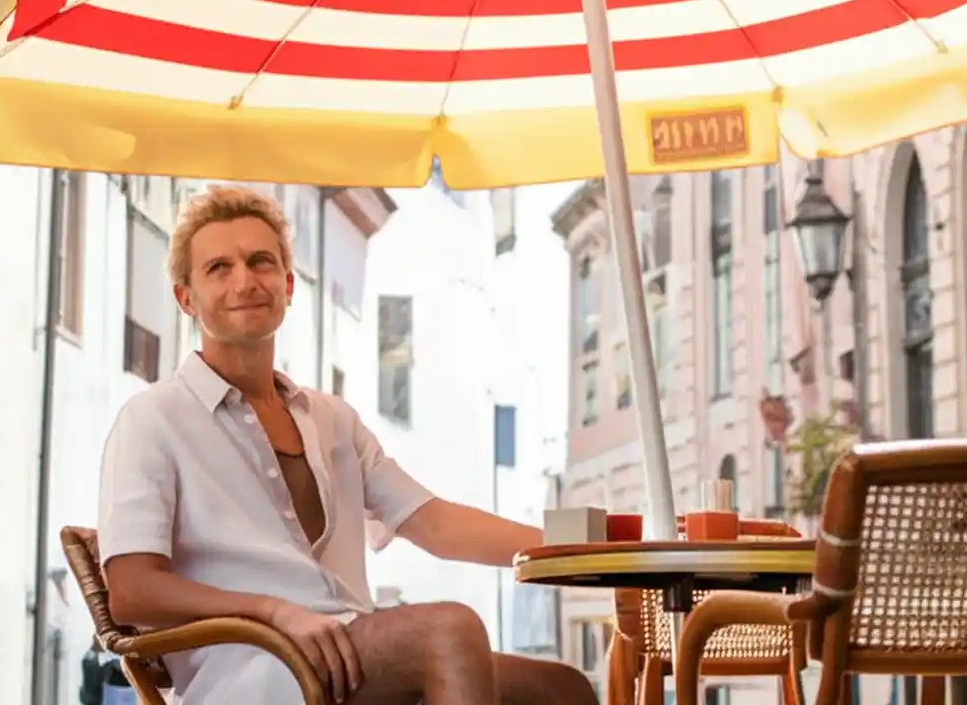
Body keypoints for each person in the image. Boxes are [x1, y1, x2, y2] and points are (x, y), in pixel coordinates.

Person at [97, 185, 596, 705]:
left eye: (260, 262)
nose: (244, 280)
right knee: (450, 630)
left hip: (350, 648)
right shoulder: (152, 420)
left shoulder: (330, 418)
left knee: (562, 687)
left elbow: (435, 523)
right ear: (186, 298)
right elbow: (133, 592)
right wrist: (271, 610)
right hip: (247, 672)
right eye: (218, 268)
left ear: (288, 286)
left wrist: (577, 547)